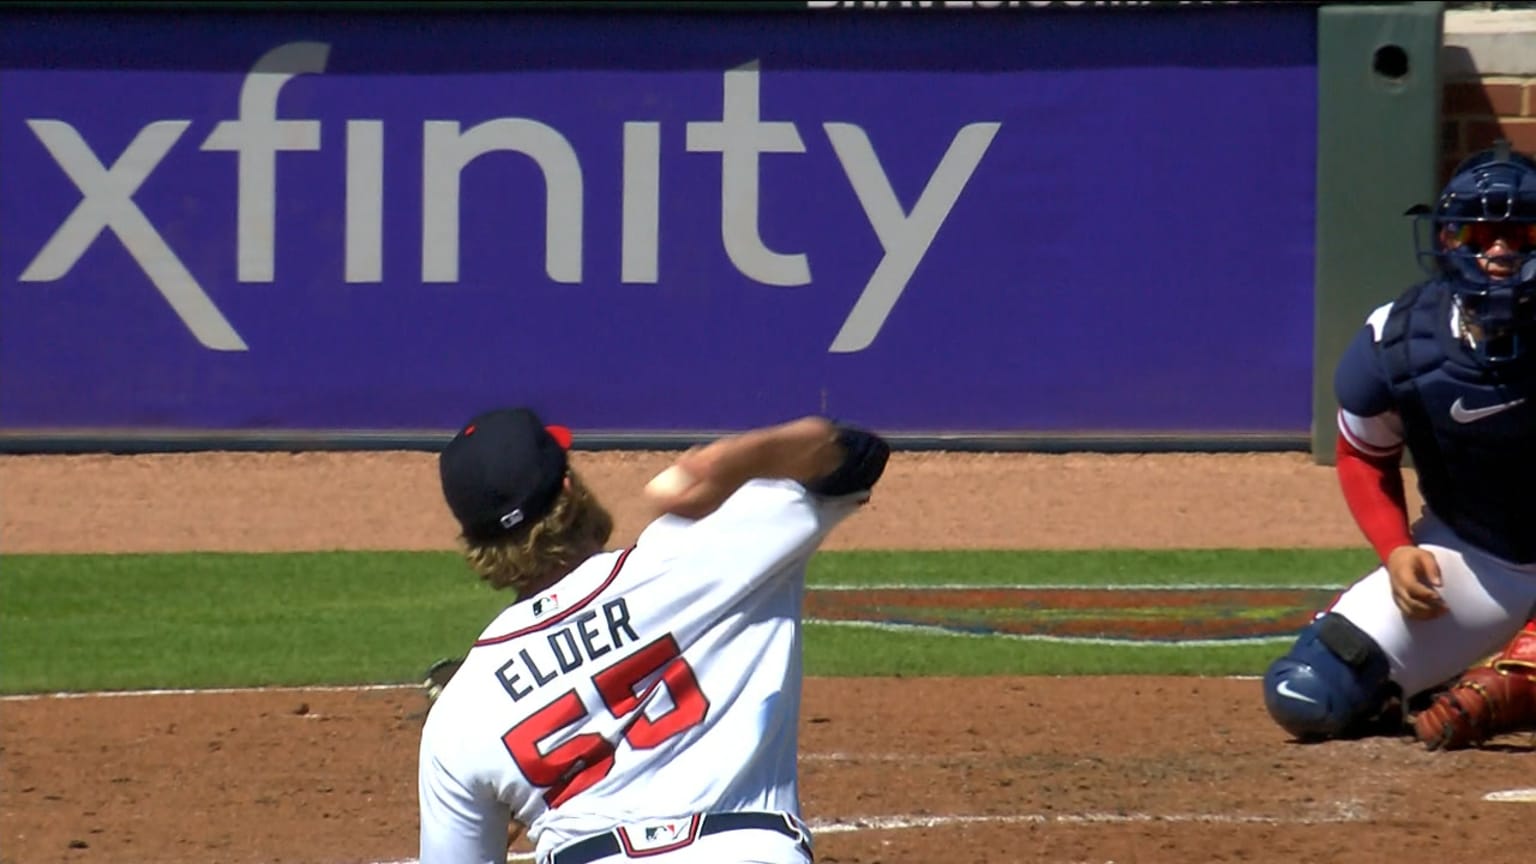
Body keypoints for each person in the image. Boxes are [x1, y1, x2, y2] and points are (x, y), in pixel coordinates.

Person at [418, 407, 889, 864]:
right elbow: (857, 456)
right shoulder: (705, 548)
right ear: (569, 487)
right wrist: (729, 463)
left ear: (474, 544)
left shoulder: (459, 716)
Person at [1261, 141, 1536, 744]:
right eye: (1480, 234)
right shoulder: (1399, 340)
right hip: (1481, 556)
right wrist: (1394, 548)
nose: (1499, 252)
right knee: (1308, 691)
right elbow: (1363, 453)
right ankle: (1429, 680)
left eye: (1522, 234)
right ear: (1447, 239)